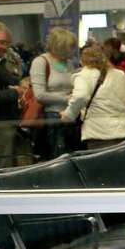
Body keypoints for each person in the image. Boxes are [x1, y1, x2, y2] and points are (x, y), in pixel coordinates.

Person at [62, 42, 125, 149]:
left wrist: (68, 115)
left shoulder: (83, 75)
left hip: (99, 133)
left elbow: (80, 96)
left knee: (102, 165)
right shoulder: (119, 74)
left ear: (82, 61)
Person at [29, 27, 79, 160]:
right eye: (71, 47)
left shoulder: (69, 63)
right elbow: (39, 94)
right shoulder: (40, 62)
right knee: (58, 157)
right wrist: (67, 99)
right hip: (51, 117)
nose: (74, 50)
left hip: (70, 115)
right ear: (60, 46)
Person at [0, 20, 27, 169]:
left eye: (7, 43)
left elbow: (8, 78)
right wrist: (15, 92)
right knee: (2, 170)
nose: (4, 47)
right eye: (0, 42)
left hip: (2, 124)